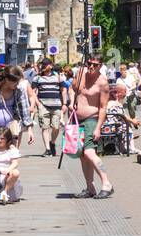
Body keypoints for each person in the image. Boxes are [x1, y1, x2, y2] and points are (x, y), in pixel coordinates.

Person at [71, 54, 115, 198]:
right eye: (89, 63)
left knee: (89, 152)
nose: (91, 67)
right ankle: (90, 188)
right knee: (82, 156)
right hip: (77, 119)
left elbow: (103, 107)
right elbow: (73, 88)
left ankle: (107, 184)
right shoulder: (80, 73)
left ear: (100, 66)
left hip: (92, 119)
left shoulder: (102, 82)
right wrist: (71, 102)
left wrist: (98, 128)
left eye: (95, 65)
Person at [0, 66, 31, 153]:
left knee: (12, 156)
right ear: (7, 80)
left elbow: (24, 110)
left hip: (12, 128)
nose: (17, 84)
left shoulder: (19, 89)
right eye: (15, 82)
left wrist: (29, 130)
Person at [32, 59, 68, 156]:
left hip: (56, 106)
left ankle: (52, 143)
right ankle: (47, 149)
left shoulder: (58, 77)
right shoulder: (37, 78)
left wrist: (64, 104)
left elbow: (64, 90)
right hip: (43, 106)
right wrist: (38, 104)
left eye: (45, 65)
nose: (43, 66)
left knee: (56, 127)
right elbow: (33, 92)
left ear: (51, 66)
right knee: (45, 127)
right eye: (42, 65)